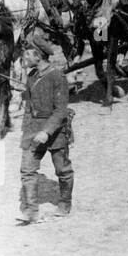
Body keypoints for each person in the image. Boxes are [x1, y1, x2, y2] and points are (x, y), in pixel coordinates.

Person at [18, 41, 74, 224]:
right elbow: (28, 106)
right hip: (33, 129)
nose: (24, 58)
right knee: (27, 169)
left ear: (38, 56)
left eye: (28, 55)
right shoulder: (32, 76)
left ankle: (65, 203)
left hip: (55, 131)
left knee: (62, 170)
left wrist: (47, 132)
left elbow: (61, 111)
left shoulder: (57, 77)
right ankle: (31, 212)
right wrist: (26, 130)